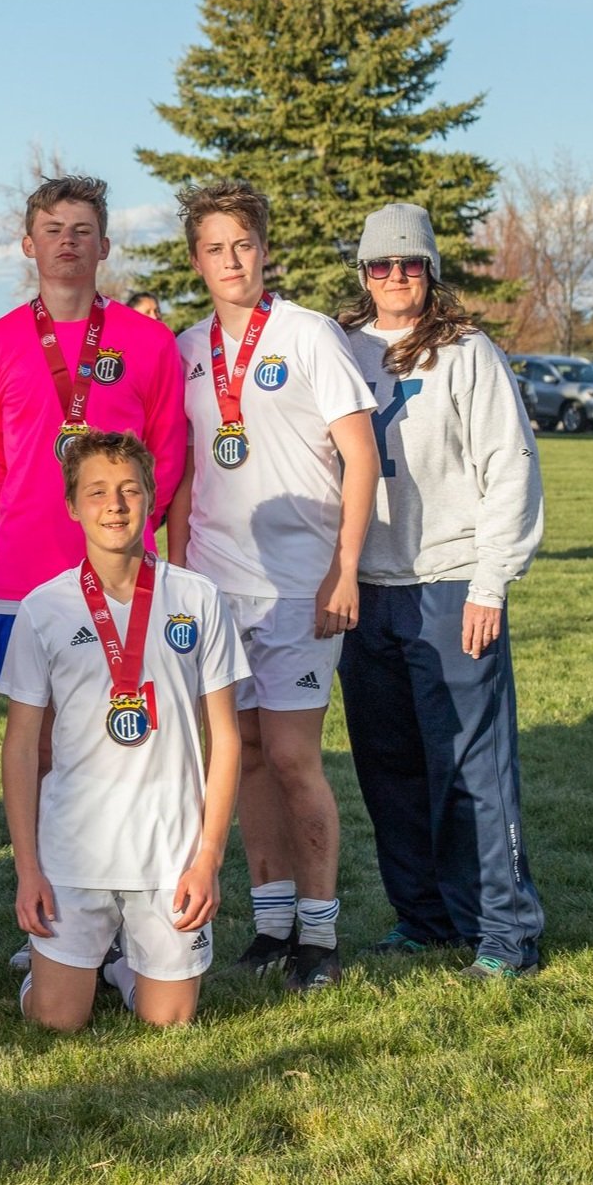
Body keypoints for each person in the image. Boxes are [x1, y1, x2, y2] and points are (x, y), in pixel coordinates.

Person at [163, 182, 379, 992]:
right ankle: (271, 921)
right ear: (196, 260)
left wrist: (343, 566)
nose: (231, 260)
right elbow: (184, 474)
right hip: (213, 588)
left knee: (291, 756)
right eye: (214, 248)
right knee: (243, 752)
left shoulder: (308, 333)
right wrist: (178, 575)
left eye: (242, 244)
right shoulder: (184, 348)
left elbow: (359, 455)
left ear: (264, 249)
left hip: (297, 585)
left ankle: (318, 935)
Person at [337, 203, 545, 978]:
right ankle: (423, 916)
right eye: (381, 264)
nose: (395, 276)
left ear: (429, 270)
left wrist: (489, 582)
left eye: (410, 263)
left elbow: (509, 467)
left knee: (471, 765)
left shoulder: (466, 351)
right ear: (363, 272)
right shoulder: (341, 348)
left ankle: (504, 930)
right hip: (366, 587)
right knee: (388, 764)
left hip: (450, 581)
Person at [0, 432, 246, 1031]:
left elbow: (226, 739)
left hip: (169, 851)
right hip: (74, 850)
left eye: (130, 490)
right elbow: (20, 748)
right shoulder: (44, 608)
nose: (114, 505)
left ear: (152, 500)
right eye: (97, 492)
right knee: (57, 1021)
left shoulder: (198, 598)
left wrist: (208, 859)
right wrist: (28, 869)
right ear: (72, 506)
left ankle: (119, 966)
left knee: (171, 1022)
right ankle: (54, 973)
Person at [0, 176, 187, 683]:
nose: (67, 240)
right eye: (53, 230)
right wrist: (33, 510)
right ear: (29, 244)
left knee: (129, 714)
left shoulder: (152, 340)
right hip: (25, 563)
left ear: (104, 246)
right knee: (32, 720)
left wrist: (126, 525)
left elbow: (167, 453)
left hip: (124, 564)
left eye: (82, 231)